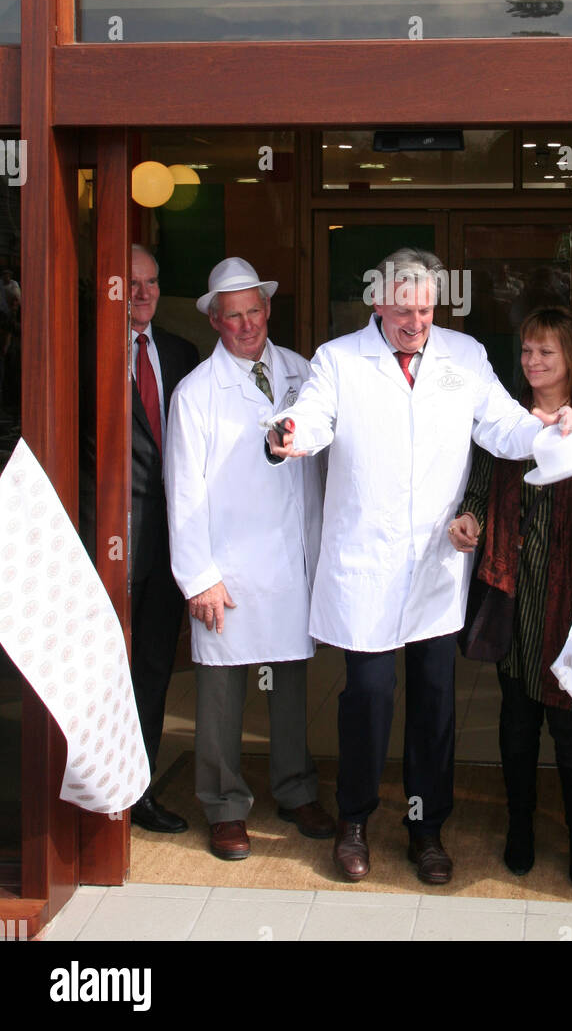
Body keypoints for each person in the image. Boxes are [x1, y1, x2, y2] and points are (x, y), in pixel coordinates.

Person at [266, 248, 572, 886]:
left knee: (436, 703)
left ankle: (426, 829)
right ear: (377, 303)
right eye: (404, 309)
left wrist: (551, 430)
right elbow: (315, 417)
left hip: (436, 562)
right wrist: (288, 432)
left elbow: (502, 427)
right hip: (367, 562)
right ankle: (354, 822)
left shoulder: (463, 357)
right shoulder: (339, 359)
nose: (416, 322)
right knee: (370, 699)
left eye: (427, 308)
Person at [449, 306, 572, 888]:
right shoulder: (505, 425)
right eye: (528, 351)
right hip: (516, 595)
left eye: (547, 353)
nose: (534, 362)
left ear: (571, 360)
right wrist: (469, 520)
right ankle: (521, 828)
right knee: (516, 724)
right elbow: (479, 492)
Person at [165, 258, 334, 860]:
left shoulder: (303, 372)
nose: (245, 325)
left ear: (267, 309)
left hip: (290, 563)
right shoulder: (195, 394)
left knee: (289, 683)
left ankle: (294, 789)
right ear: (214, 320)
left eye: (253, 311)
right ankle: (224, 804)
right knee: (220, 696)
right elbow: (182, 490)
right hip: (227, 570)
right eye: (231, 316)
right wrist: (199, 577)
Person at [130, 244, 199, 834]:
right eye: (131, 283)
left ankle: (140, 791)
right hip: (104, 543)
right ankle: (93, 790)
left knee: (152, 668)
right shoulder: (84, 351)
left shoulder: (180, 352)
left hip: (166, 543)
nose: (143, 293)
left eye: (151, 282)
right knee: (103, 666)